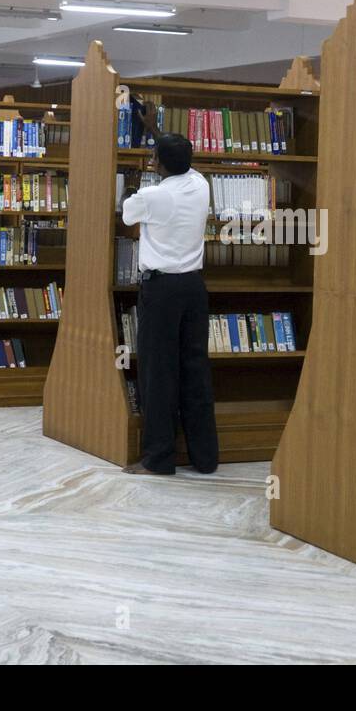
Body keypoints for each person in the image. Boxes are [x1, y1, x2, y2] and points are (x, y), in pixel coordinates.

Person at [119, 99, 219, 476]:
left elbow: (127, 213)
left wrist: (132, 179)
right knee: (195, 369)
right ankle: (205, 457)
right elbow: (178, 159)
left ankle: (159, 459)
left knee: (158, 374)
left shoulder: (153, 196)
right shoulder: (200, 184)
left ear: (156, 163)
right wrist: (155, 132)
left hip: (161, 292)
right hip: (194, 288)